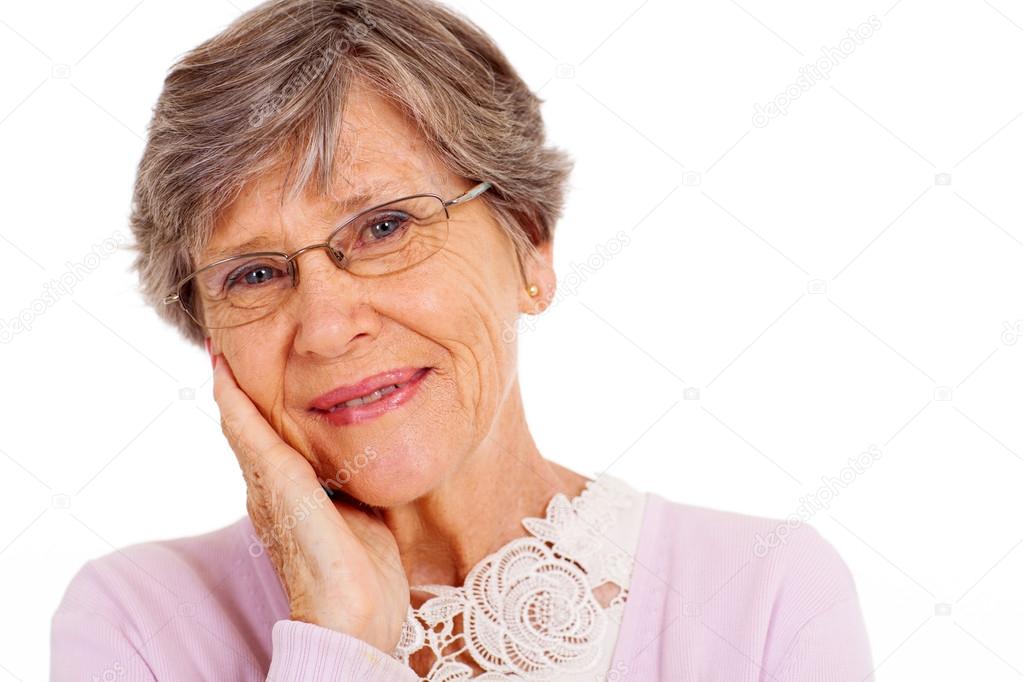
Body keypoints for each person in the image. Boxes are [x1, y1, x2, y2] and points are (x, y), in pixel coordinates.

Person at [50, 0, 876, 679]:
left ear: (529, 242)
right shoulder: (136, 625)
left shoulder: (764, 595)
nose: (329, 327)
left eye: (384, 227)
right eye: (255, 274)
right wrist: (337, 642)